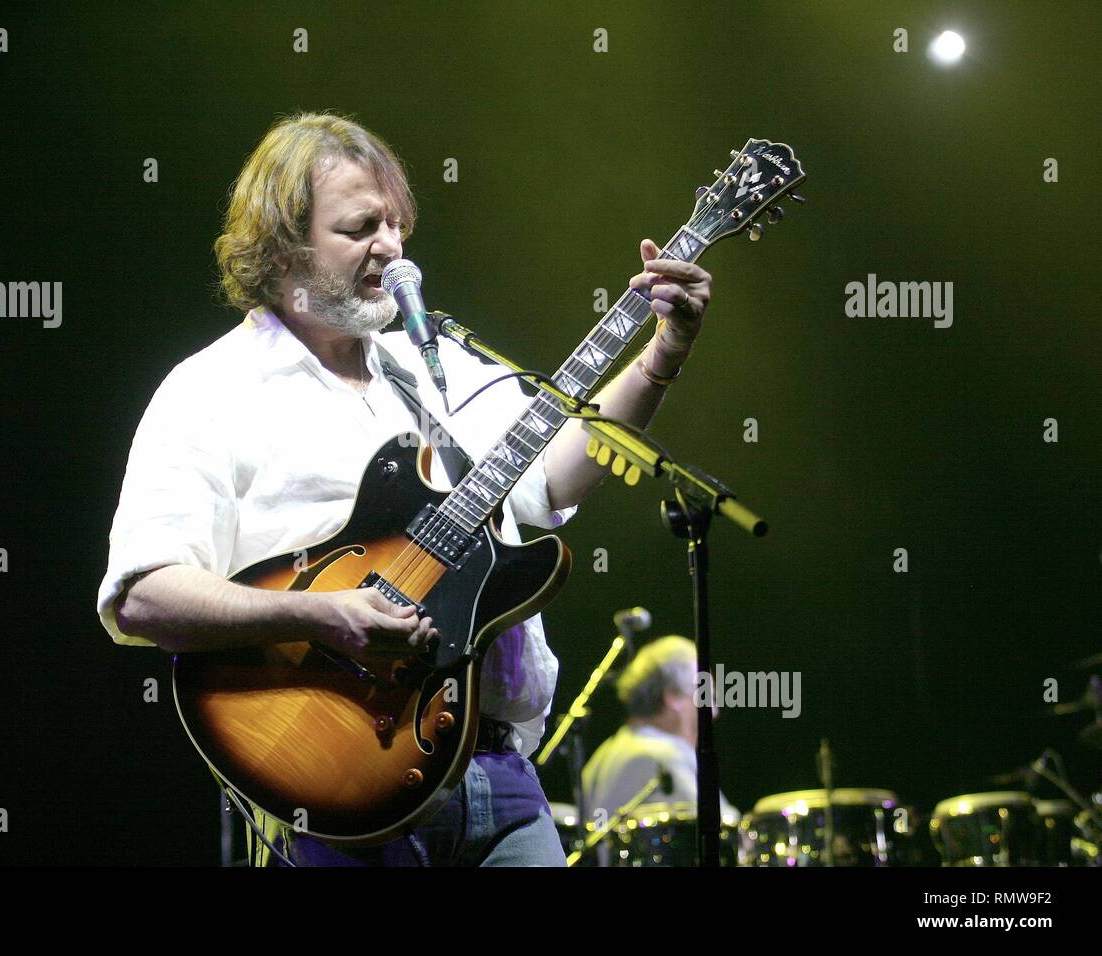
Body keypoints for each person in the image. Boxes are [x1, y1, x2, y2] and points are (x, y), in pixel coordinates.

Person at [96, 112, 713, 866]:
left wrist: (661, 356)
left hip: (502, 779)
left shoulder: (432, 365)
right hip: (339, 786)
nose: (390, 248)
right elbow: (144, 594)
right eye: (360, 228)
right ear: (283, 246)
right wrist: (320, 616)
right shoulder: (210, 391)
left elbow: (557, 467)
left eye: (396, 225)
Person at [582, 635, 738, 823]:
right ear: (672, 696)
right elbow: (725, 832)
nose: (714, 712)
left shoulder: (605, 753)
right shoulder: (662, 755)